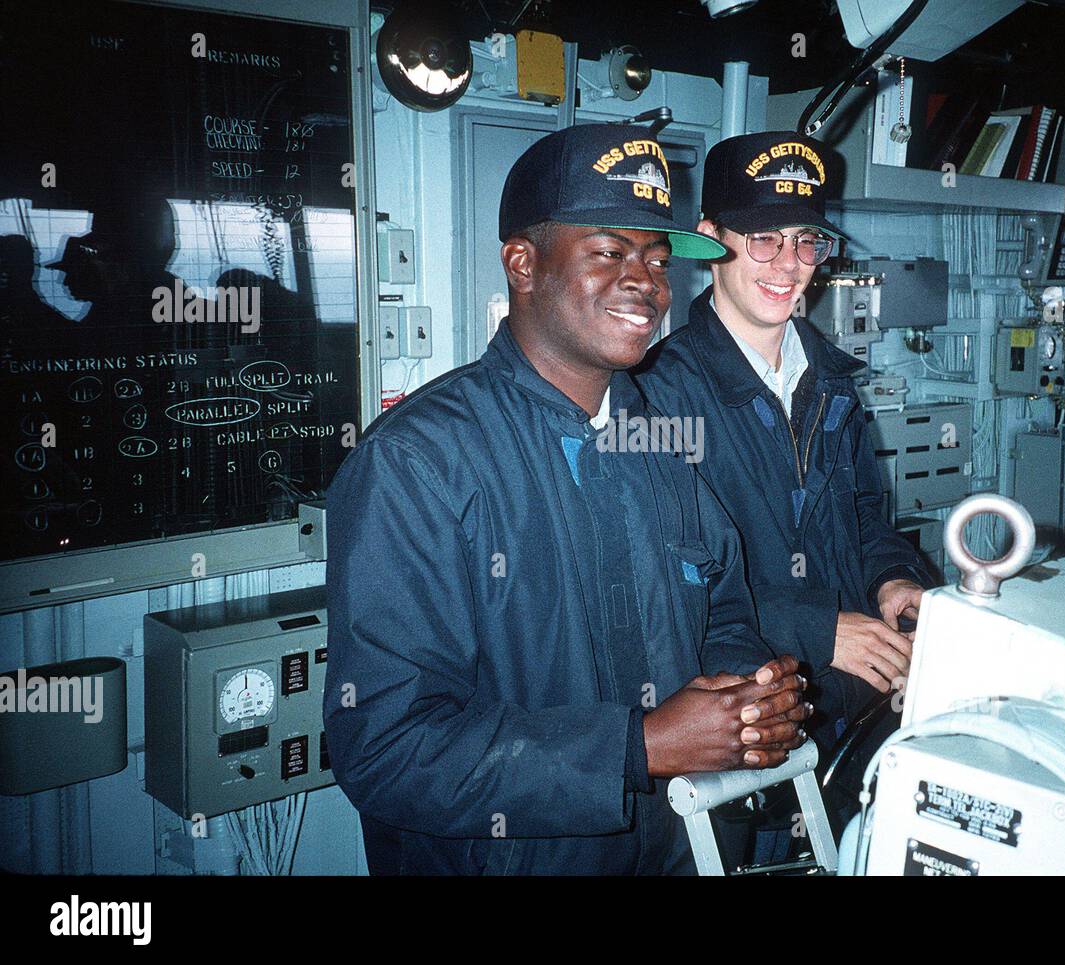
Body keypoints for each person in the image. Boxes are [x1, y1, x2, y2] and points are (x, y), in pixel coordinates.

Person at [324, 124, 810, 876]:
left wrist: (748, 697)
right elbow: (386, 748)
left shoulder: (656, 437)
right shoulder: (416, 462)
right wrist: (639, 746)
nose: (647, 282)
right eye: (610, 251)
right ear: (523, 263)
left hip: (681, 851)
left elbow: (723, 609)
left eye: (656, 258)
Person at [634, 131, 932, 821]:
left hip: (852, 711)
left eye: (806, 241)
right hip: (747, 732)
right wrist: (820, 630)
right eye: (763, 238)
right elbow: (668, 598)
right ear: (710, 240)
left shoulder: (832, 382)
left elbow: (865, 520)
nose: (789, 265)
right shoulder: (659, 398)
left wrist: (893, 579)